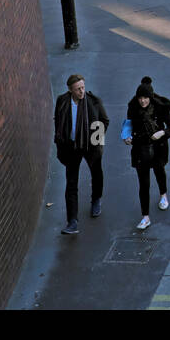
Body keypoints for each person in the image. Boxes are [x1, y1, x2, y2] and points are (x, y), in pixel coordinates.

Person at [53, 74, 109, 235]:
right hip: (71, 147)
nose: (81, 92)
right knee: (71, 183)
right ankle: (72, 221)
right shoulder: (62, 101)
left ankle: (96, 199)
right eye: (78, 89)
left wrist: (96, 140)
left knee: (96, 173)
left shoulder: (93, 101)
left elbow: (104, 121)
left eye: (83, 87)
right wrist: (60, 141)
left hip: (90, 145)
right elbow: (58, 121)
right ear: (70, 90)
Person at [123, 79, 170, 230]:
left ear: (151, 97)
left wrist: (162, 133)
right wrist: (127, 137)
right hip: (140, 149)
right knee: (143, 183)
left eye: (145, 98)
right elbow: (128, 125)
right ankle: (145, 217)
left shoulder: (160, 108)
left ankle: (163, 195)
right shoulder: (132, 108)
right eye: (140, 98)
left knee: (159, 171)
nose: (142, 101)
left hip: (158, 147)